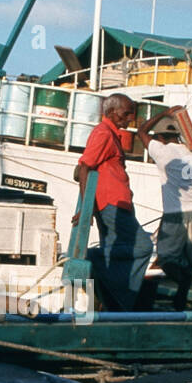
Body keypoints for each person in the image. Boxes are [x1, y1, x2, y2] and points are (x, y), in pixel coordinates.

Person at [73, 93, 154, 311]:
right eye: (126, 113)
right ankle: (94, 260)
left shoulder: (111, 134)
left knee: (118, 250)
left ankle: (113, 302)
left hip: (118, 205)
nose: (130, 118)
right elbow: (85, 166)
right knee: (144, 247)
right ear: (111, 112)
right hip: (111, 205)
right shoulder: (104, 133)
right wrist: (87, 206)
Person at [138, 105, 192, 310]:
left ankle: (182, 281)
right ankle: (181, 299)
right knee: (190, 260)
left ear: (160, 136)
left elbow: (141, 131)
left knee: (166, 260)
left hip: (175, 214)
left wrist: (165, 113)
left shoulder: (162, 151)